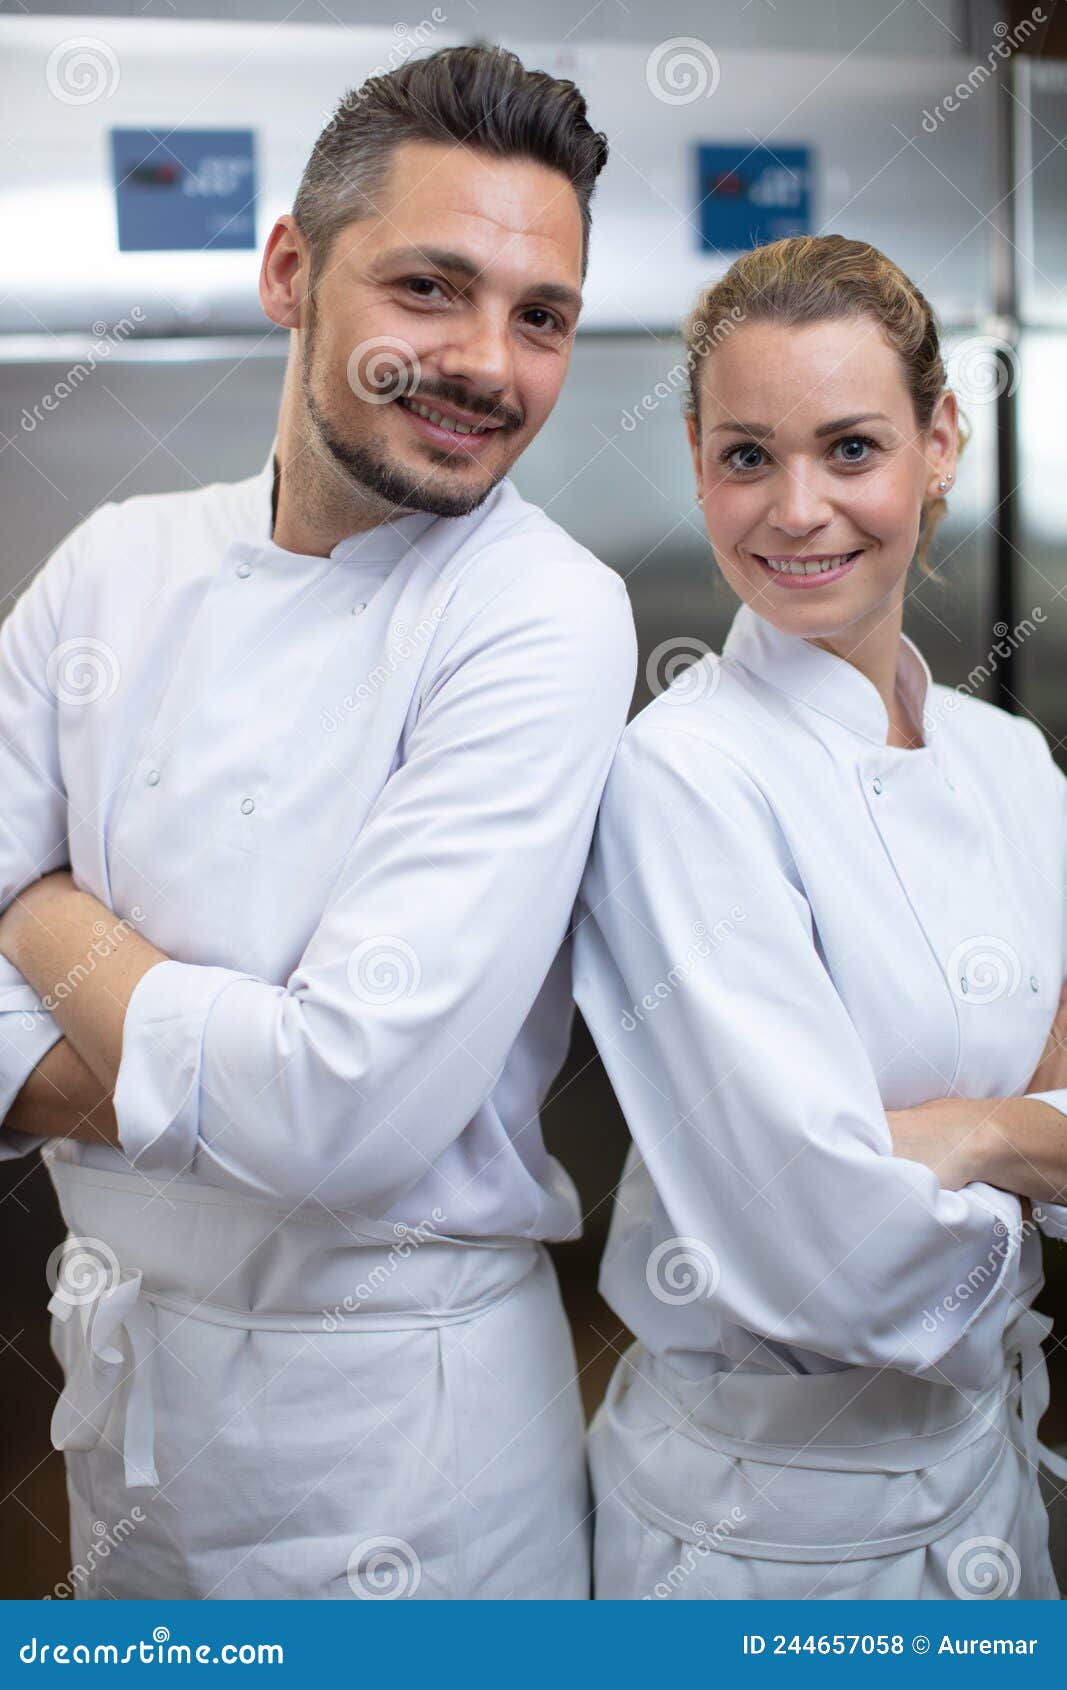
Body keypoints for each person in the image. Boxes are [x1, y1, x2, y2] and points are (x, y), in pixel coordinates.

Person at [0, 45, 636, 1599]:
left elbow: (345, 1111)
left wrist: (36, 918)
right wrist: (242, 1080)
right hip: (135, 1422)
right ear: (292, 271)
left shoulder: (544, 612)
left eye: (540, 315)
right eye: (430, 287)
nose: (491, 359)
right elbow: (289, 1100)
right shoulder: (112, 562)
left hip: (407, 1465)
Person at [573, 233, 1067, 1601]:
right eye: (747, 455)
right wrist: (1034, 1137)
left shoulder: (1013, 765)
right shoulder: (678, 776)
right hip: (759, 1541)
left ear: (942, 439)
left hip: (988, 1483)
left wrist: (958, 1136)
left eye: (851, 448)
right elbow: (833, 1253)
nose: (797, 510)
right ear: (696, 459)